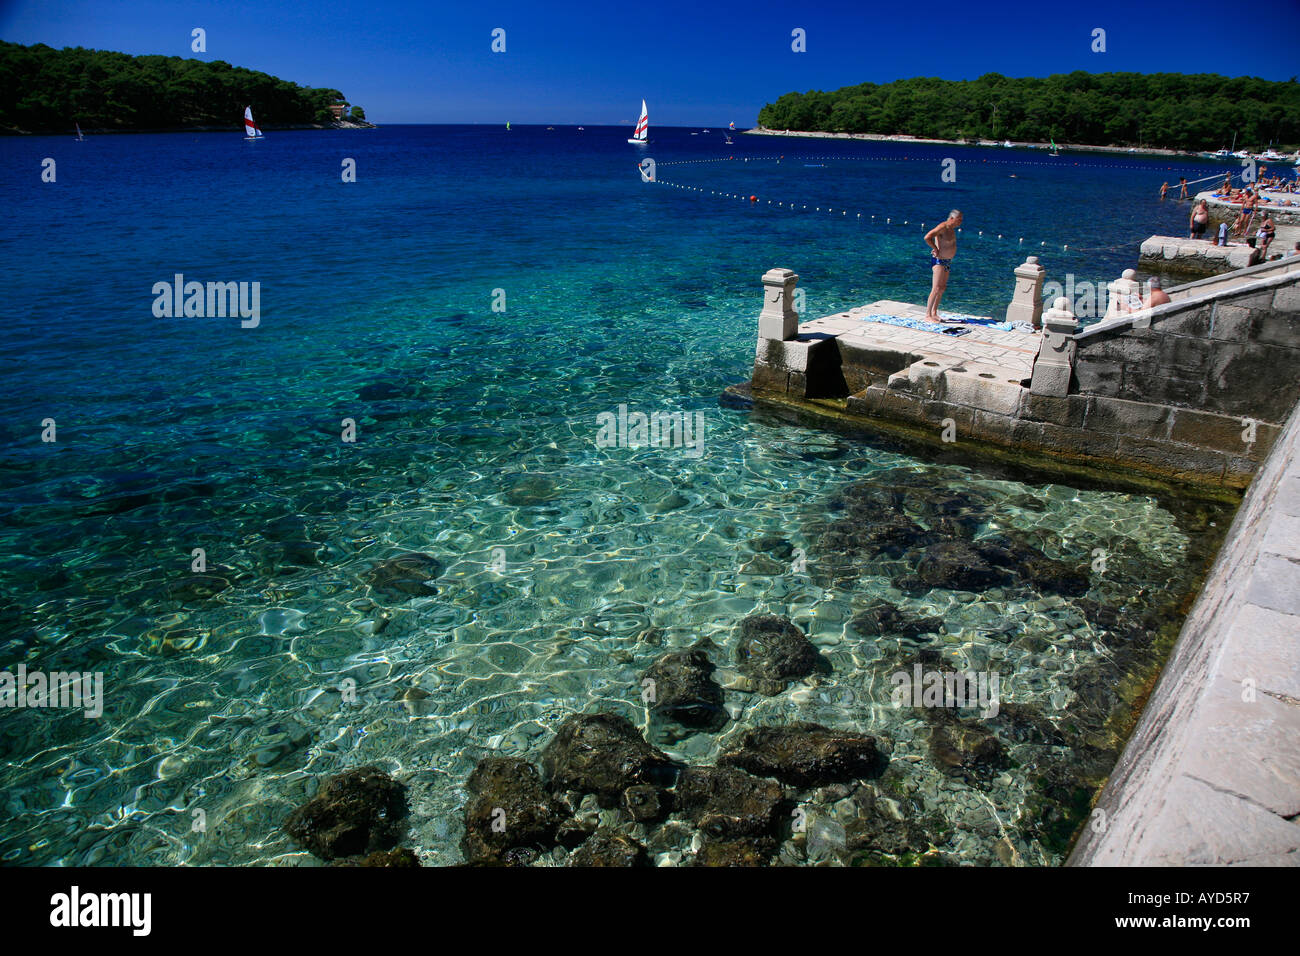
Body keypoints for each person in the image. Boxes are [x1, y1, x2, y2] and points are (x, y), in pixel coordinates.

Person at [923, 209, 962, 320]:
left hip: (947, 261)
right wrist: (934, 248)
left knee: (942, 288)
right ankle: (928, 315)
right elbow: (927, 237)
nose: (960, 222)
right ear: (951, 218)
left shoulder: (952, 229)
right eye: (959, 220)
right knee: (935, 288)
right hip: (939, 261)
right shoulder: (942, 227)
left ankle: (934, 312)